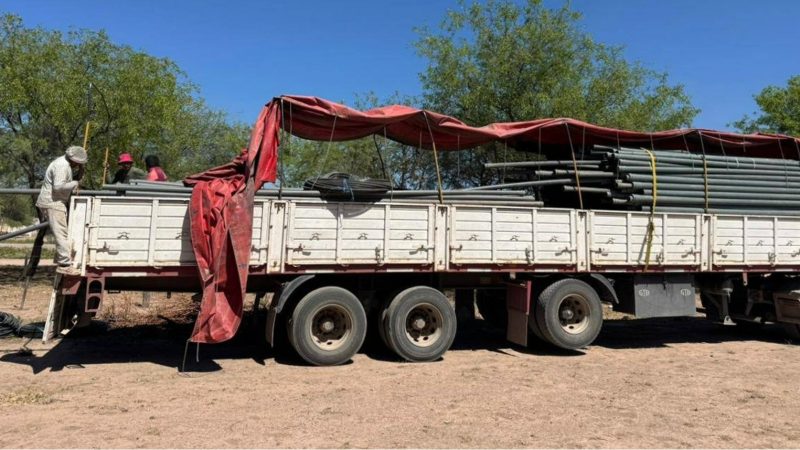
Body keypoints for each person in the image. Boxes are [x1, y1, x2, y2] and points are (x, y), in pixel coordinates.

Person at [36, 146, 87, 275]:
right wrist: (75, 183)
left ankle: (63, 260)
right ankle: (64, 264)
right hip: (53, 203)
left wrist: (80, 172)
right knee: (61, 234)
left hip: (56, 202)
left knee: (62, 232)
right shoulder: (62, 166)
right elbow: (58, 187)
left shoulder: (64, 164)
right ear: (74, 160)